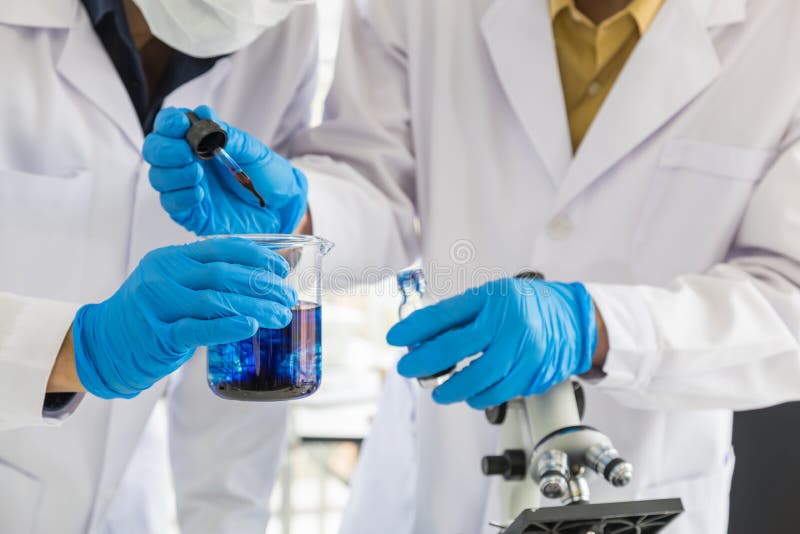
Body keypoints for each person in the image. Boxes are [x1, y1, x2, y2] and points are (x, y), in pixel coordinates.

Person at [144, 0, 800, 532]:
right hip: (435, 476)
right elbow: (376, 183)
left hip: (647, 469)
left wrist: (597, 327)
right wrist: (302, 215)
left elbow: (789, 298)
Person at [0, 0, 316, 532]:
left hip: (121, 502)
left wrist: (227, 518)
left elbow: (239, 355)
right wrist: (71, 349)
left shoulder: (283, 26)